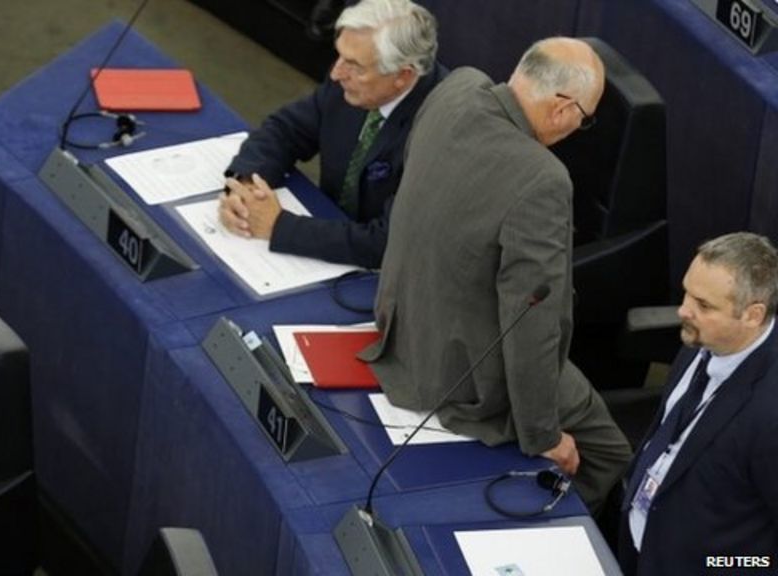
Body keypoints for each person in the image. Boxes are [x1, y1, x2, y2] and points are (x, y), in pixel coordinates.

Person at [361, 37, 631, 513]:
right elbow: (531, 319)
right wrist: (542, 434)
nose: (578, 127)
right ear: (564, 109)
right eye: (584, 118)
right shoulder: (542, 178)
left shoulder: (457, 87)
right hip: (461, 374)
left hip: (401, 326)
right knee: (610, 454)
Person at [218, 0, 440, 268]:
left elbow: (387, 242)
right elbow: (285, 130)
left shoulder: (440, 129)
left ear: (403, 76)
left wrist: (279, 226)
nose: (336, 74)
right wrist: (247, 185)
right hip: (330, 234)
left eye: (355, 66)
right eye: (339, 55)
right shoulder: (349, 80)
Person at [617, 232, 778, 575]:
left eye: (704, 305)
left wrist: (721, 568)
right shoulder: (701, 336)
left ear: (752, 315)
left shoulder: (770, 413)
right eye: (687, 292)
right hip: (640, 548)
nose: (683, 311)